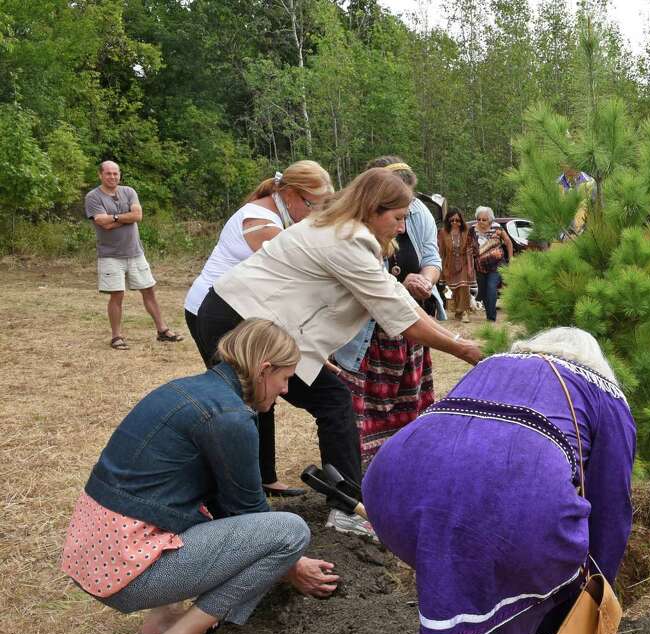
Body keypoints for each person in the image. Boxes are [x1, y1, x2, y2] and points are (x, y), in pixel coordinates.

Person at [363, 327, 636, 634]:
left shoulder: (491, 367)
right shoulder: (602, 393)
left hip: (397, 490)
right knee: (553, 603)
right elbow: (611, 503)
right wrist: (597, 582)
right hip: (513, 499)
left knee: (465, 588)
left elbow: (459, 442)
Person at [194, 168, 484, 537]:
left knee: (333, 399)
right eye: (396, 219)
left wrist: (459, 340)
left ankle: (346, 508)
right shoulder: (346, 239)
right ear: (372, 209)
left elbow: (397, 298)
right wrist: (463, 349)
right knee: (238, 412)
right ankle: (224, 511)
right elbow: (400, 317)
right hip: (236, 320)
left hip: (266, 325)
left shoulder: (347, 231)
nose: (400, 228)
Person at [60, 319, 339, 634]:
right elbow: (250, 514)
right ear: (263, 369)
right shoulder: (229, 418)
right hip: (126, 571)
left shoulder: (186, 390)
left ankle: (160, 625)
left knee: (202, 509)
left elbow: (216, 505)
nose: (285, 390)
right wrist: (294, 563)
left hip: (96, 554)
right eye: (284, 379)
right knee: (290, 532)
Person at [184, 160, 334, 498]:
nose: (315, 213)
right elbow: (292, 276)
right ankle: (234, 489)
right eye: (313, 204)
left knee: (262, 392)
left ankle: (263, 477)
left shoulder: (279, 215)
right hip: (213, 314)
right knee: (238, 397)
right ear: (291, 194)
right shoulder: (260, 221)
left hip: (243, 315)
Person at [334, 157, 445, 468]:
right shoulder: (355, 235)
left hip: (408, 326)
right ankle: (368, 471)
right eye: (398, 214)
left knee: (409, 403)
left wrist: (426, 278)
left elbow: (432, 257)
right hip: (371, 333)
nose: (402, 224)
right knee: (366, 406)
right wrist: (400, 284)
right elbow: (375, 287)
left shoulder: (418, 212)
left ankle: (405, 463)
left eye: (406, 212)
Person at [84, 161, 184, 350]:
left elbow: (137, 216)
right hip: (110, 255)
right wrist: (124, 217)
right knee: (117, 295)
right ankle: (116, 337)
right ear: (100, 175)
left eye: (115, 173)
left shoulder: (129, 191)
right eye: (108, 173)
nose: (112, 177)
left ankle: (162, 331)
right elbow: (101, 222)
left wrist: (113, 218)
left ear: (119, 175)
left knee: (149, 290)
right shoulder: (93, 197)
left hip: (135, 253)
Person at [472, 206, 514, 322]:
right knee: (484, 290)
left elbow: (508, 242)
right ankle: (489, 315)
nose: (481, 222)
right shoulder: (472, 230)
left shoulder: (496, 228)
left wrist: (511, 258)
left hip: (496, 265)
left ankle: (491, 317)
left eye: (484, 220)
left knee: (491, 288)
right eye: (479, 219)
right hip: (480, 267)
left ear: (490, 220)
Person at [438, 208, 478, 322]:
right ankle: (458, 310)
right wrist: (441, 268)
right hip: (450, 263)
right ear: (448, 221)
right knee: (455, 288)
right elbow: (441, 252)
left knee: (464, 286)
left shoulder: (467, 231)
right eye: (452, 220)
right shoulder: (443, 233)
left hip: (464, 261)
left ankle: (465, 312)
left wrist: (470, 267)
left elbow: (470, 250)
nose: (455, 222)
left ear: (461, 220)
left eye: (457, 220)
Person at [558, 165, 595, 238]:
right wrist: (562, 236)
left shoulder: (592, 183)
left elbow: (596, 214)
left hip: (585, 239)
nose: (570, 164)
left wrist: (583, 236)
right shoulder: (555, 185)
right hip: (560, 240)